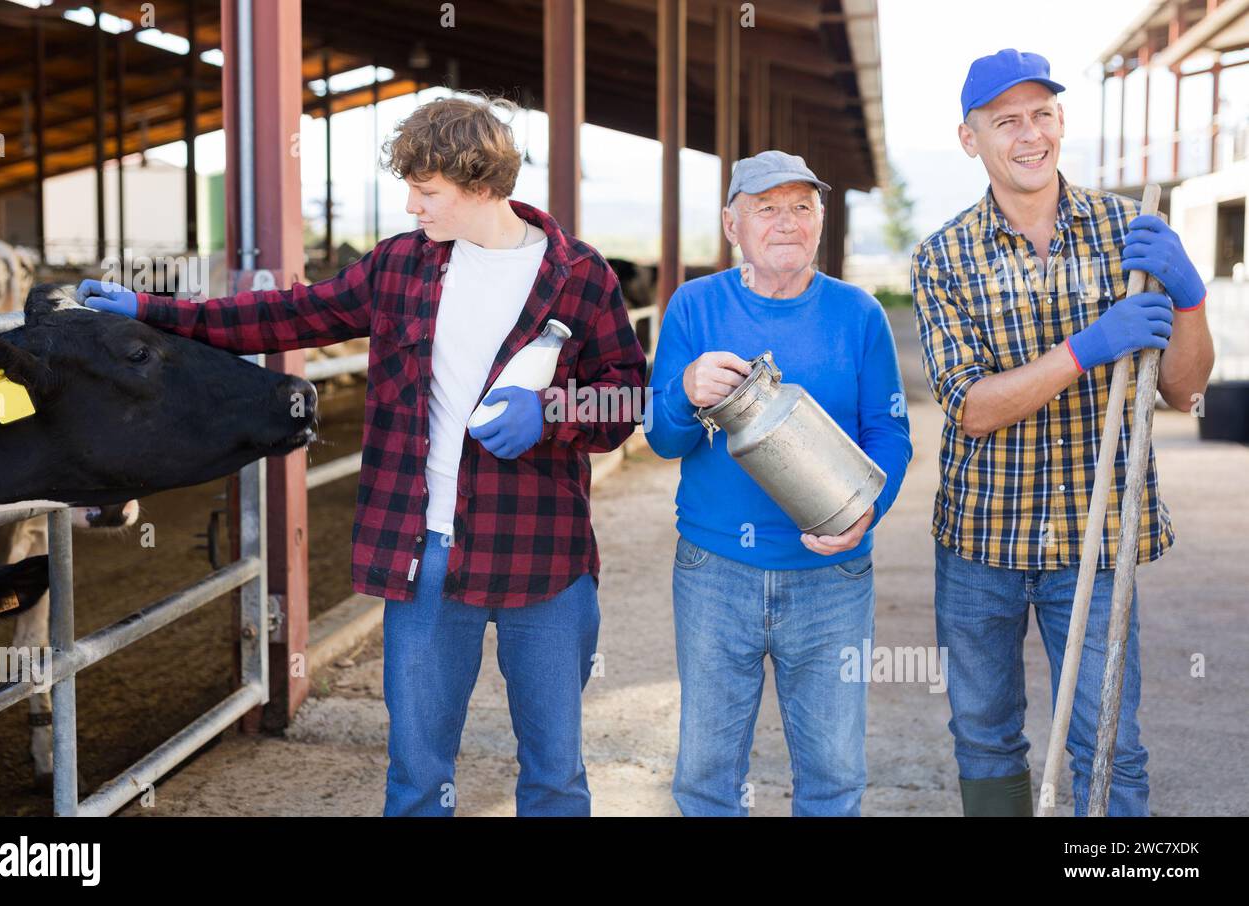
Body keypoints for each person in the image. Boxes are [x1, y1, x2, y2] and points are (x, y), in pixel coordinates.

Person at [78, 94, 647, 817]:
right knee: (415, 777)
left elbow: (625, 396)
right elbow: (285, 313)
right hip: (423, 556)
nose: (412, 206)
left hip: (542, 553)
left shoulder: (579, 275)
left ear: (481, 185)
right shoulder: (399, 268)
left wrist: (554, 413)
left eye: (427, 190)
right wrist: (155, 311)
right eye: (409, 187)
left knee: (556, 776)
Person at [912, 49, 1214, 816]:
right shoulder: (943, 256)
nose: (1028, 134)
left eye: (1041, 114)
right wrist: (1085, 349)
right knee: (984, 734)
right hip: (983, 538)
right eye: (1005, 119)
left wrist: (1189, 300)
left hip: (1098, 534)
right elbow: (971, 407)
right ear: (968, 137)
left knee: (1107, 740)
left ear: (1061, 122)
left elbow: (1185, 389)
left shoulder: (1127, 231)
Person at [644, 150, 913, 816]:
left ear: (821, 219)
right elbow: (663, 438)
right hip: (714, 572)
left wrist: (866, 513)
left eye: (802, 206)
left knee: (833, 774)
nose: (787, 222)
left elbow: (889, 434)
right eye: (767, 208)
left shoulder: (858, 315)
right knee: (706, 773)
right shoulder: (694, 307)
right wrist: (684, 390)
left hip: (832, 580)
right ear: (733, 224)